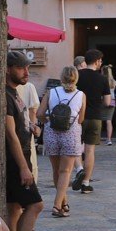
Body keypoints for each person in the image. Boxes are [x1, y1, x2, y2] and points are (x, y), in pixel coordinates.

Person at [4, 51, 44, 231]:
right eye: (21, 68)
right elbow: (10, 134)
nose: (26, 72)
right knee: (36, 205)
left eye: (27, 68)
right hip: (14, 162)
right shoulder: (5, 96)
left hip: (21, 158)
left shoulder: (15, 93)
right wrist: (23, 167)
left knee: (14, 208)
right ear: (8, 68)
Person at [39, 66, 85, 218]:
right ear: (76, 78)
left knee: (56, 170)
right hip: (70, 134)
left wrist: (48, 120)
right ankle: (57, 205)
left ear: (61, 77)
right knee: (65, 171)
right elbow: (81, 119)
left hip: (51, 133)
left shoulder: (51, 92)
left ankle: (64, 203)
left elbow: (39, 113)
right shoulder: (81, 95)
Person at [73, 49, 111, 195]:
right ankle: (86, 183)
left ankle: (79, 169)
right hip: (95, 117)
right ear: (96, 61)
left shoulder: (78, 76)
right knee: (90, 150)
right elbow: (107, 102)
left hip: (78, 117)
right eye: (100, 60)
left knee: (76, 147)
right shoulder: (102, 79)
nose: (101, 63)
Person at [102, 63, 116, 146]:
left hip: (103, 100)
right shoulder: (114, 82)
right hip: (112, 101)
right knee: (109, 120)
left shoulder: (101, 80)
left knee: (99, 119)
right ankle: (109, 139)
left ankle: (97, 138)